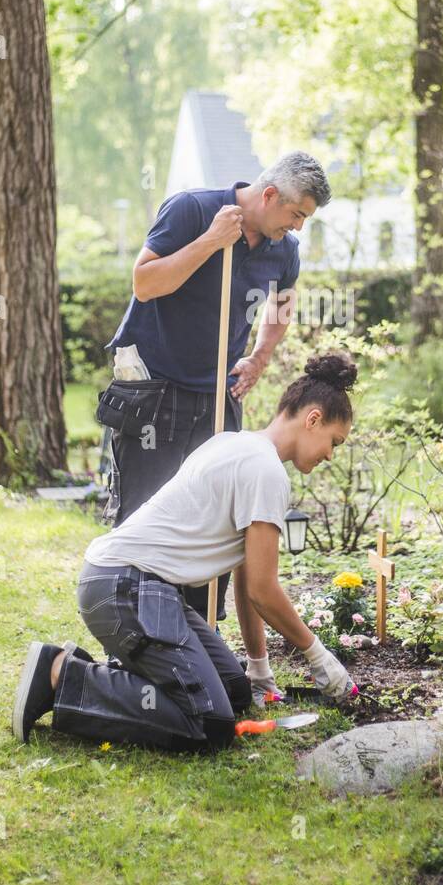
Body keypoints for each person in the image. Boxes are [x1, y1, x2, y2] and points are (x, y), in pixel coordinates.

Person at [12, 352, 359, 753]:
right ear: (313, 419)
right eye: (334, 441)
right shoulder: (266, 471)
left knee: (233, 693)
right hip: (125, 588)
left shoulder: (236, 444)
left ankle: (130, 672)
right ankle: (61, 674)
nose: (331, 454)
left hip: (131, 586)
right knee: (211, 724)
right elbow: (265, 590)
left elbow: (250, 581)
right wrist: (317, 654)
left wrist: (260, 671)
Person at [96, 152, 332, 621]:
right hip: (153, 390)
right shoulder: (191, 210)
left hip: (217, 395)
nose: (299, 227)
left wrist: (260, 356)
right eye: (296, 215)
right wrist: (209, 242)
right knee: (147, 512)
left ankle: (198, 634)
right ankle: (136, 630)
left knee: (218, 513)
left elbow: (282, 305)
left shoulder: (282, 249)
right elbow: (144, 284)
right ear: (268, 196)